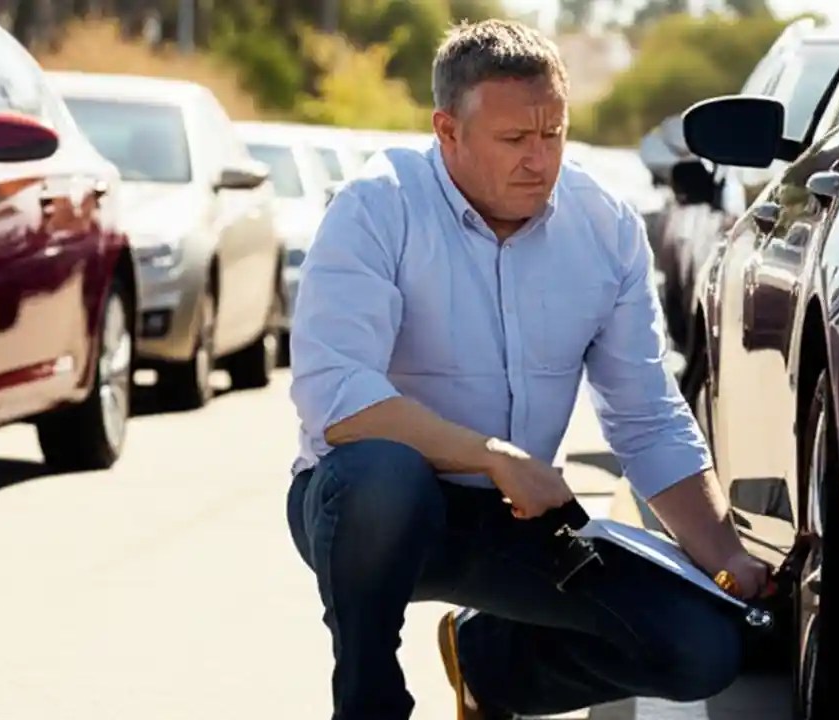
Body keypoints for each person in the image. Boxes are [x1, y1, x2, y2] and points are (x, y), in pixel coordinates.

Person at [284, 18, 771, 720]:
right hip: (368, 512)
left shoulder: (604, 226)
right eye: (514, 140)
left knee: (703, 649)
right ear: (447, 132)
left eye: (553, 135)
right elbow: (340, 401)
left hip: (519, 518)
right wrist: (493, 456)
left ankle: (489, 668)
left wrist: (725, 555)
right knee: (381, 476)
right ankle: (368, 697)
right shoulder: (377, 206)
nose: (538, 161)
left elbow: (646, 415)